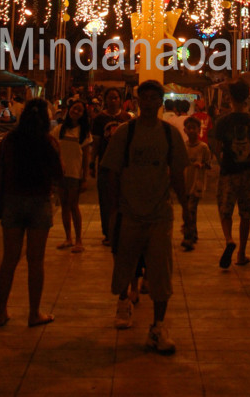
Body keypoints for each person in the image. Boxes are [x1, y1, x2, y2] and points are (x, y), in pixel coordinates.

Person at [102, 79, 190, 355]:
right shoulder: (124, 134)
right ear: (138, 102)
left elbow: (177, 174)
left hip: (159, 213)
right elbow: (112, 172)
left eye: (155, 98)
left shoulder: (169, 135)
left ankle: (158, 326)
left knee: (161, 274)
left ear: (160, 102)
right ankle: (123, 303)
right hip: (130, 212)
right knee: (125, 263)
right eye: (145, 98)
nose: (150, 103)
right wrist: (114, 209)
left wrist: (187, 208)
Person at [0, 99, 63, 328]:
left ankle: (1, 312)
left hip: (13, 201)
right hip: (39, 203)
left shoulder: (10, 141)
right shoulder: (48, 142)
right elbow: (58, 174)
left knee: (9, 259)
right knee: (36, 261)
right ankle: (34, 313)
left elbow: (2, 167)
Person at [213, 78, 250, 269]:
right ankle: (241, 253)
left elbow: (216, 149)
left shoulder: (222, 121)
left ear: (230, 98)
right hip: (248, 171)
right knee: (246, 213)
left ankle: (228, 240)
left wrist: (221, 159)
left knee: (225, 209)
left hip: (228, 170)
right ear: (247, 98)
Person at [90, 87, 130, 243]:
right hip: (105, 165)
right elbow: (97, 142)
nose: (113, 101)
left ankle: (121, 231)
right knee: (106, 200)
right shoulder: (99, 119)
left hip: (123, 165)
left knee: (122, 199)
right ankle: (108, 232)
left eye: (116, 98)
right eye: (110, 98)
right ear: (105, 100)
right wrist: (92, 162)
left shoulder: (126, 118)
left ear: (120, 100)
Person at [55, 99, 92, 252]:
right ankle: (68, 238)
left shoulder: (84, 133)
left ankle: (78, 240)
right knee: (64, 205)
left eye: (79, 110)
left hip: (75, 174)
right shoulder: (58, 130)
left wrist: (85, 177)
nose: (75, 111)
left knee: (74, 206)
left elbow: (86, 157)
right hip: (60, 174)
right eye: (74, 108)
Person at [180, 115, 211, 250]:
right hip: (185, 182)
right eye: (189, 128)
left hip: (197, 182)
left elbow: (209, 164)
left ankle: (188, 237)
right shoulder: (183, 146)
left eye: (194, 128)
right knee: (187, 209)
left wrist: (202, 164)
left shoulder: (203, 147)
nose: (191, 130)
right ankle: (194, 233)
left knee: (191, 209)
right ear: (185, 130)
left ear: (199, 130)